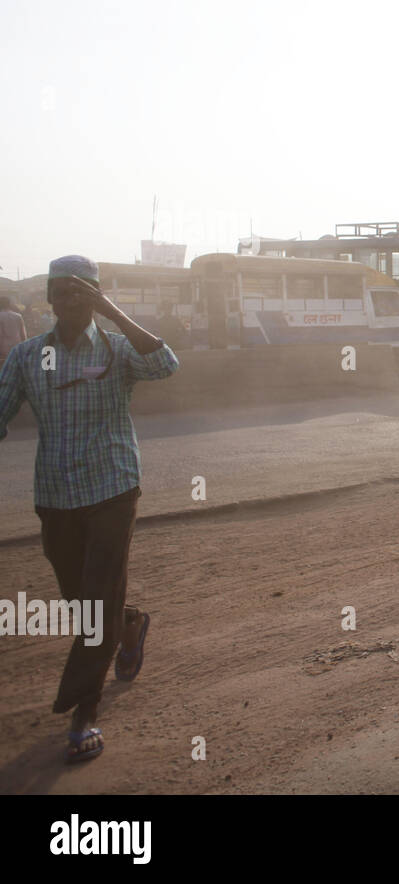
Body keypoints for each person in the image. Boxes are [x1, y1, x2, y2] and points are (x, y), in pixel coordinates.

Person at [0, 256, 179, 763]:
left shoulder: (120, 349)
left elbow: (166, 364)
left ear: (97, 297)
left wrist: (114, 313)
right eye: (62, 292)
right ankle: (128, 625)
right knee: (83, 601)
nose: (71, 301)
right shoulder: (29, 356)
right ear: (49, 299)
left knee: (94, 600)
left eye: (83, 293)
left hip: (113, 489)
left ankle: (83, 712)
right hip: (56, 495)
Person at [0, 296, 26, 361]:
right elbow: (23, 334)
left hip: (3, 348)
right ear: (9, 305)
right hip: (17, 346)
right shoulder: (18, 316)